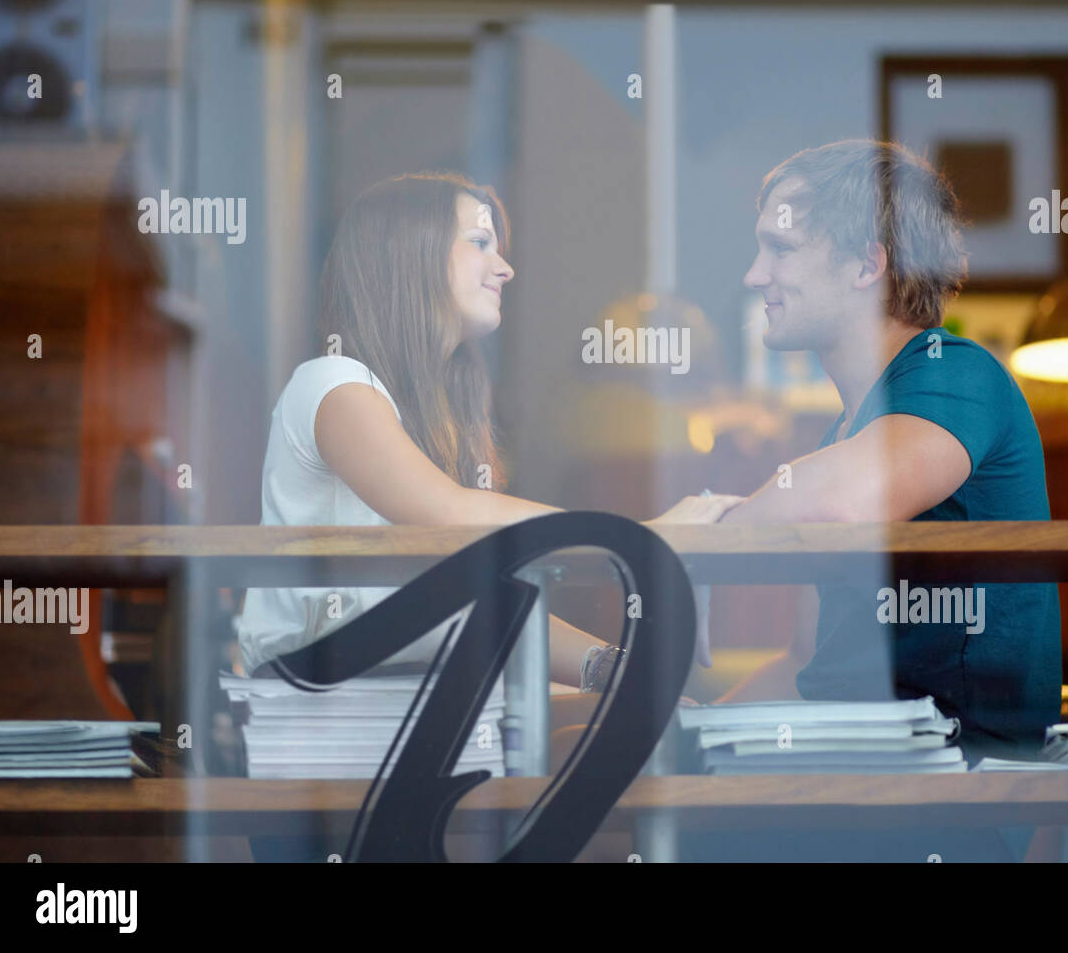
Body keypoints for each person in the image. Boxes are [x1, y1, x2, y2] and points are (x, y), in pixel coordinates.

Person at [236, 172, 740, 700]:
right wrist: (641, 539)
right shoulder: (332, 383)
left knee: (648, 716)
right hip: (320, 693)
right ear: (412, 254)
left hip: (402, 685)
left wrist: (609, 668)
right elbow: (446, 513)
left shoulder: (441, 410)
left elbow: (473, 605)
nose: (505, 268)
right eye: (480, 243)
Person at [715, 138, 1061, 773]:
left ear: (865, 265)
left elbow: (846, 503)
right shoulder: (844, 439)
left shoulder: (955, 372)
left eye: (781, 248)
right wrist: (689, 739)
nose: (754, 274)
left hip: (946, 794)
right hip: (856, 772)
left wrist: (703, 532)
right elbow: (802, 665)